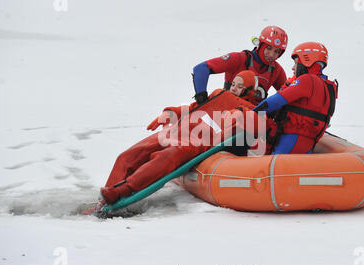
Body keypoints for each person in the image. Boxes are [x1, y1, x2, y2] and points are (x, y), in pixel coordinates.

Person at [98, 71, 275, 208]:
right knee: (127, 155)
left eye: (239, 86)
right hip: (177, 130)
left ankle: (125, 189)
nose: (233, 88)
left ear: (251, 90)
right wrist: (171, 112)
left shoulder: (252, 110)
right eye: (233, 84)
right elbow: (192, 107)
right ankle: (106, 198)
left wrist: (241, 114)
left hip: (195, 143)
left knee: (165, 158)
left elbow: (263, 128)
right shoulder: (219, 93)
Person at [254, 42, 338, 154]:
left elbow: (275, 101)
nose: (293, 68)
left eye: (296, 63)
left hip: (291, 140)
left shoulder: (308, 80)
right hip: (308, 142)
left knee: (273, 168)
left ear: (306, 61)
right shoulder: (330, 87)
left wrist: (253, 112)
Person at [192, 26, 288, 106]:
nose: (271, 55)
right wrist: (202, 98)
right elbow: (201, 69)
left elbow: (288, 94)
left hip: (252, 120)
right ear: (260, 45)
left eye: (277, 51)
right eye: (268, 48)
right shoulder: (238, 59)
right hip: (227, 116)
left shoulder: (277, 70)